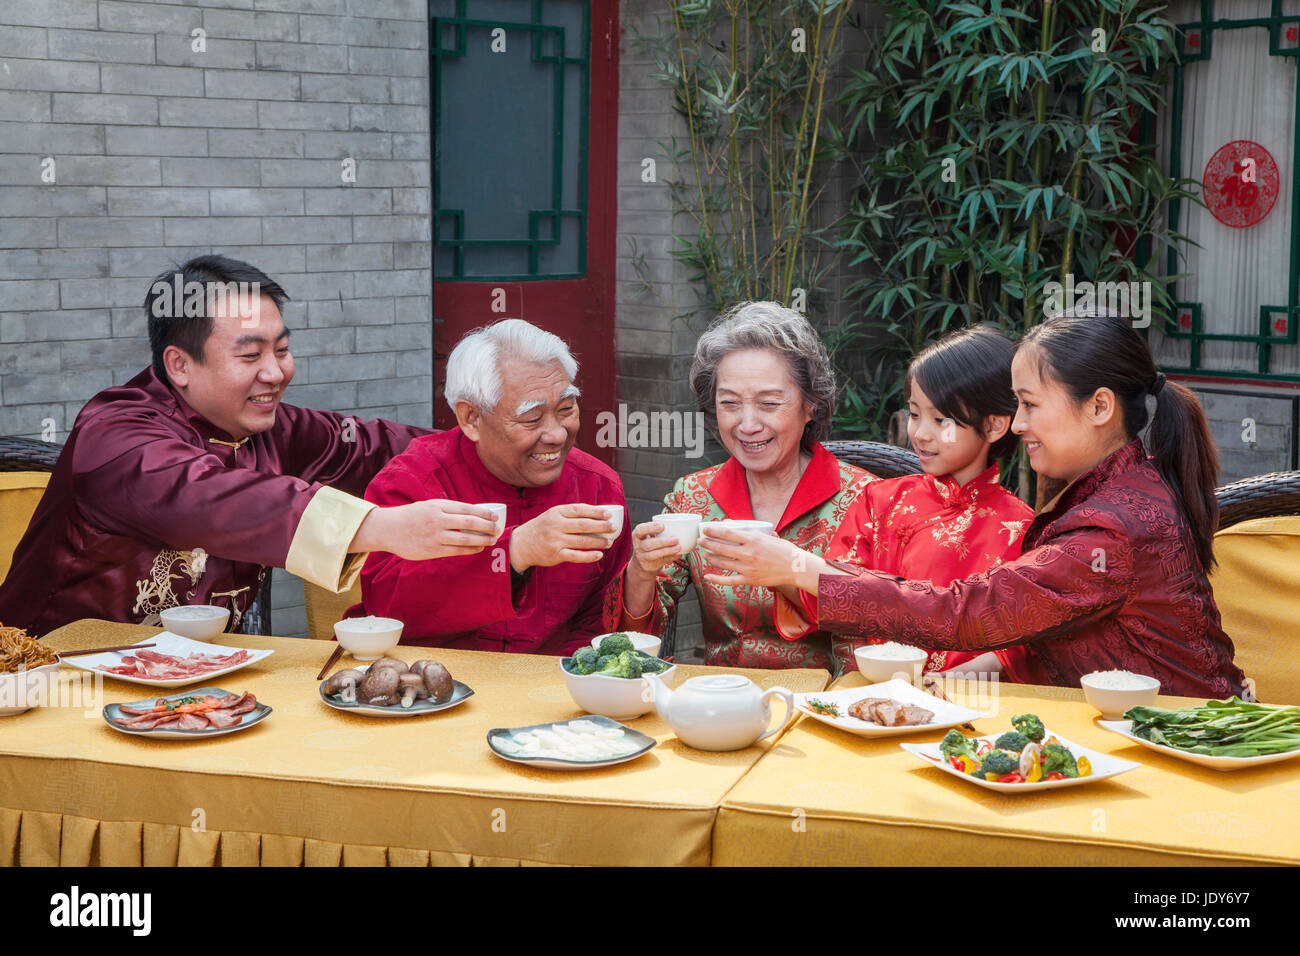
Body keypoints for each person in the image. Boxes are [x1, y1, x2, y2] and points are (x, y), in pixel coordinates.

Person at [705, 311, 1251, 698]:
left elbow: (965, 611)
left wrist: (798, 567)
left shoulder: (1110, 526)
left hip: (1182, 738)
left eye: (1031, 405)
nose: (1018, 425)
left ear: (1100, 407)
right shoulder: (1118, 493)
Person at [0, 255, 501, 637]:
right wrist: (382, 527)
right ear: (179, 365)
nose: (275, 372)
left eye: (282, 349)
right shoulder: (117, 435)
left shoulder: (269, 429)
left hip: (200, 689)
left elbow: (378, 447)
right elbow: (214, 499)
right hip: (53, 679)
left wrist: (501, 442)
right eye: (250, 355)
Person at [611, 302, 875, 676]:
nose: (747, 424)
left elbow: (877, 629)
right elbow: (637, 637)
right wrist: (641, 569)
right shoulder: (694, 496)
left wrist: (789, 573)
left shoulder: (867, 499)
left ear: (811, 405)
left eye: (769, 403)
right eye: (730, 403)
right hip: (722, 706)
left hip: (827, 712)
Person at [352, 319, 630, 655]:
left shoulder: (597, 487)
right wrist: (514, 551)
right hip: (423, 685)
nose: (557, 434)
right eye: (532, 418)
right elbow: (385, 605)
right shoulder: (414, 478)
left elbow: (599, 623)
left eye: (566, 409)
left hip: (548, 691)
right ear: (471, 418)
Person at [767, 326, 1034, 676]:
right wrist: (770, 562)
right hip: (872, 692)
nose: (920, 433)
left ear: (995, 425)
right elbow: (827, 599)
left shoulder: (1021, 527)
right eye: (914, 413)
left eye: (941, 420)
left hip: (966, 704)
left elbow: (1022, 642)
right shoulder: (878, 500)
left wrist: (968, 675)